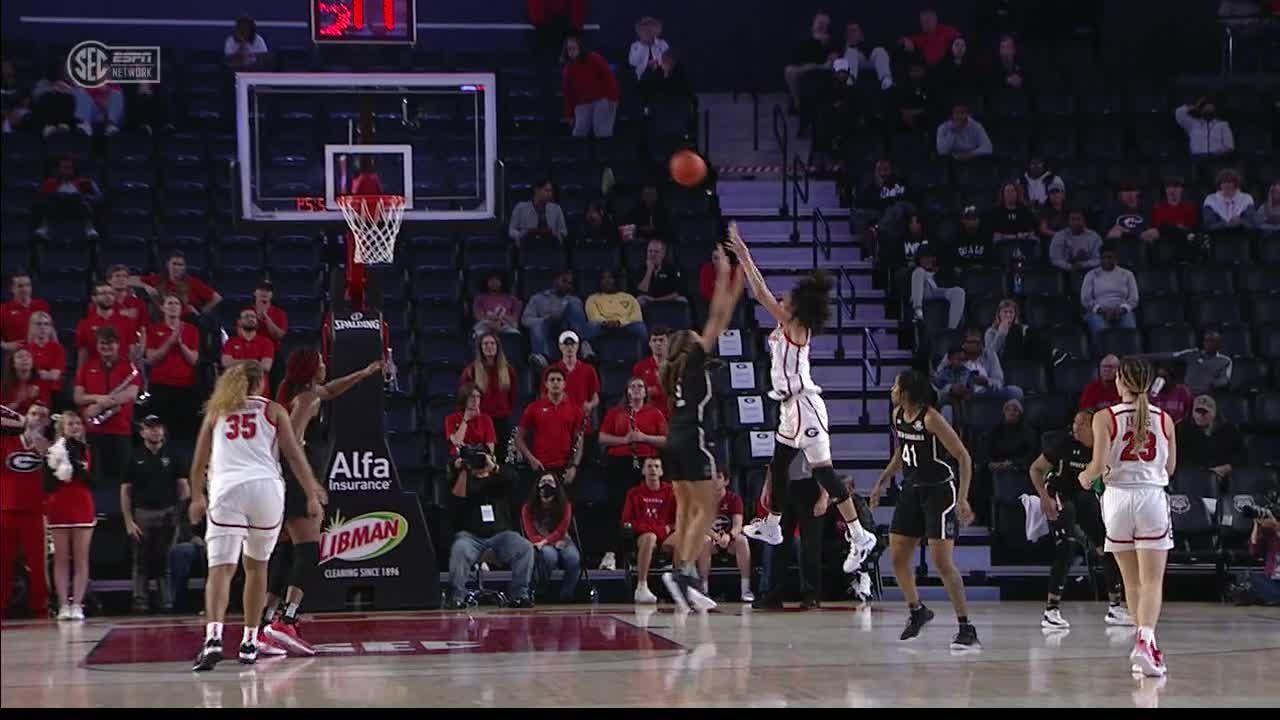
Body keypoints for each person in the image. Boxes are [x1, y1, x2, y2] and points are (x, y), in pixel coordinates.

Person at [729, 225, 878, 575]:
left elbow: (761, 293)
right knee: (779, 465)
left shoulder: (795, 326)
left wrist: (744, 255)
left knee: (824, 473)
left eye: (788, 298)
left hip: (805, 405)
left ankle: (859, 535)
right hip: (788, 408)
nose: (782, 298)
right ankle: (773, 524)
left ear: (798, 307)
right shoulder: (786, 326)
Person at [189, 361, 327, 671]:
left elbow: (198, 461)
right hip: (266, 490)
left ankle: (213, 638)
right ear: (260, 383)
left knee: (221, 570)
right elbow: (294, 455)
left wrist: (197, 496)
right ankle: (250, 642)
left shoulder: (217, 411)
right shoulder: (274, 410)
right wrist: (310, 492)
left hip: (227, 489)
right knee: (257, 568)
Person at [262, 350, 381, 655]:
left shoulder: (310, 395)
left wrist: (364, 373)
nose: (326, 366)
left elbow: (331, 389)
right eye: (321, 362)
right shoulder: (306, 402)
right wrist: (312, 487)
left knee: (287, 553)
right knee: (308, 552)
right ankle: (286, 620)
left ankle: (263, 626)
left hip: (287, 482)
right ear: (311, 369)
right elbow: (291, 447)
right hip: (297, 482)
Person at [654, 241, 744, 613]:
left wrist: (735, 278)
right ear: (687, 345)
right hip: (693, 438)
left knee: (686, 511)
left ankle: (685, 578)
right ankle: (684, 576)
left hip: (673, 438)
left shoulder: (674, 368)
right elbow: (718, 316)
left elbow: (719, 318)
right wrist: (726, 272)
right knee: (707, 510)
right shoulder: (692, 357)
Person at [1077, 357, 1176, 677]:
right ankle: (1146, 641)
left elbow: (1098, 464)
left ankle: (1143, 643)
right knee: (1152, 581)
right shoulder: (1165, 419)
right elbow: (1170, 468)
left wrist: (1084, 478)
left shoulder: (1105, 417)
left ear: (1120, 381)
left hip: (1117, 499)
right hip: (1150, 497)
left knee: (1131, 581)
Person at [869, 370, 980, 651]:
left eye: (896, 385)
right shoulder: (897, 414)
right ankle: (917, 610)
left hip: (940, 492)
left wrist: (963, 498)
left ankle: (966, 627)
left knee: (942, 563)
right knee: (896, 556)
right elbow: (902, 451)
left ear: (907, 392)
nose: (892, 389)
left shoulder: (931, 418)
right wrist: (882, 481)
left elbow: (963, 456)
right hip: (912, 489)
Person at [1029, 410, 1131, 629]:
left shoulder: (1102, 448)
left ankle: (1115, 607)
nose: (1077, 426)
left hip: (1083, 496)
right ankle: (1051, 610)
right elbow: (1035, 469)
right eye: (1075, 422)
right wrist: (1044, 497)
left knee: (1107, 545)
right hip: (1059, 494)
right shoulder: (1064, 445)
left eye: (1083, 423)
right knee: (1067, 545)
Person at [445, 440, 533, 609]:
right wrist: (464, 470)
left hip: (500, 535)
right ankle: (457, 597)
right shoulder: (462, 479)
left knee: (524, 548)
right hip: (471, 536)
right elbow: (457, 500)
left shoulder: (500, 477)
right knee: (459, 548)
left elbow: (514, 479)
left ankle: (519, 595)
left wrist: (492, 468)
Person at [598, 377, 669, 571]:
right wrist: (624, 439)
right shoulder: (616, 413)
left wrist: (644, 438)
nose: (637, 390)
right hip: (620, 463)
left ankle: (646, 554)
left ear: (645, 392)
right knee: (617, 508)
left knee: (644, 509)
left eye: (640, 387)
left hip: (647, 463)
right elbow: (602, 438)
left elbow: (666, 440)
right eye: (633, 386)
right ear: (628, 391)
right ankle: (612, 554)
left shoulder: (654, 413)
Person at [73, 326, 141, 491]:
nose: (106, 347)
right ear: (97, 345)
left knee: (123, 481)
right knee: (94, 479)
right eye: (102, 343)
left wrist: (101, 405)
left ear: (118, 345)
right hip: (93, 432)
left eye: (110, 343)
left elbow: (131, 394)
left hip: (120, 432)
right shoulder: (87, 367)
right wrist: (98, 399)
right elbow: (78, 397)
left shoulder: (129, 368)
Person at [0, 403, 51, 620]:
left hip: (34, 513)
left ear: (47, 421)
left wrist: (47, 455)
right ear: (26, 417)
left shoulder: (51, 447)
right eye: (33, 414)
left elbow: (59, 479)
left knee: (38, 564)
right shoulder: (6, 444)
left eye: (42, 415)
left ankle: (41, 609)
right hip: (5, 511)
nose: (37, 418)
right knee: (3, 563)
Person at [44, 411, 95, 620]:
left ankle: (78, 604)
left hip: (82, 506)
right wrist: (57, 466)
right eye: (70, 424)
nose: (75, 427)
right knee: (61, 559)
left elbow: (94, 480)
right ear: (62, 429)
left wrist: (77, 465)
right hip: (59, 507)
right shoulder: (52, 452)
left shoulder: (89, 451)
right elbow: (47, 484)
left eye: (77, 423)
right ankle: (64, 604)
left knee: (81, 558)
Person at [143, 294, 201, 442]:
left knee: (184, 432)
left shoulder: (191, 330)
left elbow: (194, 360)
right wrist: (170, 341)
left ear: (181, 309)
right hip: (160, 386)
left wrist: (181, 344)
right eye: (169, 303)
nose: (173, 306)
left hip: (185, 387)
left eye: (176, 303)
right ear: (162, 308)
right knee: (161, 429)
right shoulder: (153, 330)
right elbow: (151, 359)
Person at [621, 456, 678, 604]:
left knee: (684, 537)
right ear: (643, 470)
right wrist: (658, 530)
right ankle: (641, 586)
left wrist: (669, 528)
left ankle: (682, 585)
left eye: (657, 466)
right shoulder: (634, 493)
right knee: (650, 537)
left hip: (666, 537)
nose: (653, 469)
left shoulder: (671, 491)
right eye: (650, 466)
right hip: (644, 536)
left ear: (662, 471)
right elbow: (627, 521)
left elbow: (678, 520)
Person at [521, 473, 580, 603]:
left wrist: (551, 541)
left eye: (550, 481)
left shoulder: (565, 505)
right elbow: (530, 533)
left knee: (573, 558)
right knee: (549, 556)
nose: (546, 484)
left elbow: (561, 530)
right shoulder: (528, 508)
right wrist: (547, 542)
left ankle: (567, 595)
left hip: (562, 539)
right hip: (540, 542)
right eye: (543, 481)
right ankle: (540, 592)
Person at [460, 332, 519, 458]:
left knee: (500, 458)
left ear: (498, 347)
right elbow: (463, 397)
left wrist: (507, 412)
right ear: (480, 348)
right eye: (485, 344)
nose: (489, 346)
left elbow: (513, 396)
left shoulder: (508, 370)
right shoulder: (471, 371)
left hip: (502, 421)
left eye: (492, 343)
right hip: (480, 421)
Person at [698, 468, 753, 602]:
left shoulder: (734, 499)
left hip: (729, 541)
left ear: (726, 481)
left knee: (742, 540)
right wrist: (716, 537)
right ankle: (703, 589)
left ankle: (746, 588)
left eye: (718, 477)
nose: (714, 481)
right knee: (704, 540)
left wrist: (729, 536)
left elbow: (738, 524)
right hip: (712, 540)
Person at [561, 33, 619, 138]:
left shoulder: (594, 58)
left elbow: (609, 79)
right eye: (569, 49)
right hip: (582, 102)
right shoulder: (568, 68)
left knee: (602, 132)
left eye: (574, 48)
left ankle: (603, 154)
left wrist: (612, 99)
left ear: (580, 48)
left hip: (602, 99)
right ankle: (580, 154)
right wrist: (569, 114)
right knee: (578, 133)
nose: (572, 51)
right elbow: (568, 92)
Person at [21, 311, 66, 404]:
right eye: (38, 324)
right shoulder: (25, 349)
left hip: (52, 392)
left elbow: (54, 376)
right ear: (32, 327)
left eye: (46, 324)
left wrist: (34, 372)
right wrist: (43, 373)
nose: (43, 327)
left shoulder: (57, 348)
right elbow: (21, 375)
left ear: (50, 328)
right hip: (29, 391)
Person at [1, 271, 51, 352]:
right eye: (20, 286)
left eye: (28, 285)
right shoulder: (3, 309)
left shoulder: (42, 305)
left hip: (39, 353)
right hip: (16, 355)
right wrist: (7, 345)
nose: (25, 289)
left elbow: (51, 331)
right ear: (12, 289)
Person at [472, 273, 523, 338]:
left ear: (502, 282)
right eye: (491, 280)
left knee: (514, 334)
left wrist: (501, 319)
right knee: (478, 334)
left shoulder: (513, 299)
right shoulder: (479, 298)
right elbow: (479, 317)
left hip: (506, 324)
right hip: (485, 324)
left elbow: (514, 319)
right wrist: (491, 321)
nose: (494, 282)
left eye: (497, 280)